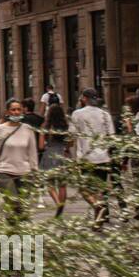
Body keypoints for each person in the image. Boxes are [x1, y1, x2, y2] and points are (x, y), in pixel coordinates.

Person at [0, 99, 40, 217]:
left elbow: (32, 152)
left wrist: (35, 171)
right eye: (13, 109)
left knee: (23, 208)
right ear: (8, 112)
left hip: (25, 173)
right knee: (13, 204)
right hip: (4, 172)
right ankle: (14, 229)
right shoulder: (0, 129)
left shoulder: (28, 129)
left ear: (22, 111)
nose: (16, 112)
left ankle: (16, 231)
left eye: (18, 109)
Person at [71, 89, 117, 226]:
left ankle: (97, 207)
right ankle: (98, 221)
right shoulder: (105, 115)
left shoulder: (77, 114)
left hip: (86, 157)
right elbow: (112, 137)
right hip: (103, 157)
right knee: (100, 189)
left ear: (84, 98)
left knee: (84, 189)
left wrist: (68, 150)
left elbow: (72, 135)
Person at [40, 102, 72, 217]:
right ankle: (61, 206)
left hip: (50, 154)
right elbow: (70, 142)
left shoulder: (45, 126)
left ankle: (57, 203)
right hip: (63, 153)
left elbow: (41, 146)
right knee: (62, 185)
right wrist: (66, 149)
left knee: (50, 183)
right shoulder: (66, 126)